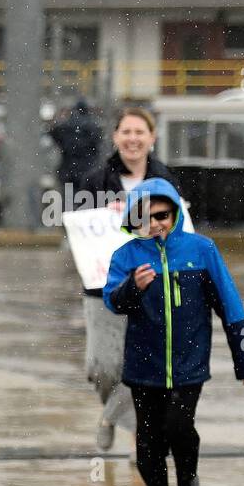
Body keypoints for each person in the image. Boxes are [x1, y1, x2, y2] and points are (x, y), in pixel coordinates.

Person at [103, 178, 244, 486]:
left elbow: (230, 304)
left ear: (175, 213)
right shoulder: (126, 256)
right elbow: (113, 301)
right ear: (135, 220)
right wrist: (132, 288)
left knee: (178, 426)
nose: (156, 223)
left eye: (163, 214)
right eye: (147, 217)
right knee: (148, 446)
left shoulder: (201, 250)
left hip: (189, 364)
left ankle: (188, 476)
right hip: (144, 366)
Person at [80, 106, 181, 450]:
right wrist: (101, 213)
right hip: (102, 287)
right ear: (115, 137)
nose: (133, 139)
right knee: (102, 365)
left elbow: (177, 229)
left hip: (152, 284)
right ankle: (114, 412)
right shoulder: (95, 181)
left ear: (152, 138)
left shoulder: (166, 181)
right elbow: (78, 232)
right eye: (126, 132)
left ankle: (130, 429)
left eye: (140, 132)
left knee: (143, 364)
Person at [49, 97, 102, 195]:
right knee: (87, 202)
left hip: (68, 169)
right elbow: (98, 143)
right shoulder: (93, 125)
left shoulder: (66, 125)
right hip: (87, 168)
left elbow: (54, 134)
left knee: (69, 201)